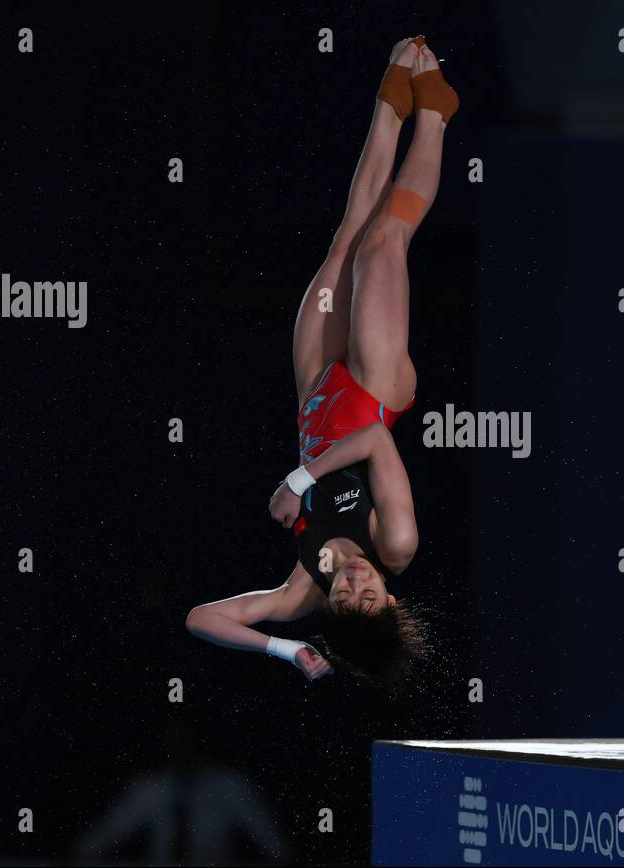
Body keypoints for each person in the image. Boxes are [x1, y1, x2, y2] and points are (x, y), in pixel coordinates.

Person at [187, 36, 459, 686]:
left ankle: (394, 96)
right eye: (372, 596)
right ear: (390, 600)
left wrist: (281, 651)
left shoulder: (302, 589)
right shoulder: (396, 544)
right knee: (384, 242)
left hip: (315, 392)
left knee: (350, 232)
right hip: (373, 390)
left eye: (346, 600)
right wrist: (302, 479)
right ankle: (438, 114)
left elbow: (201, 618)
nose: (357, 583)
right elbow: (372, 440)